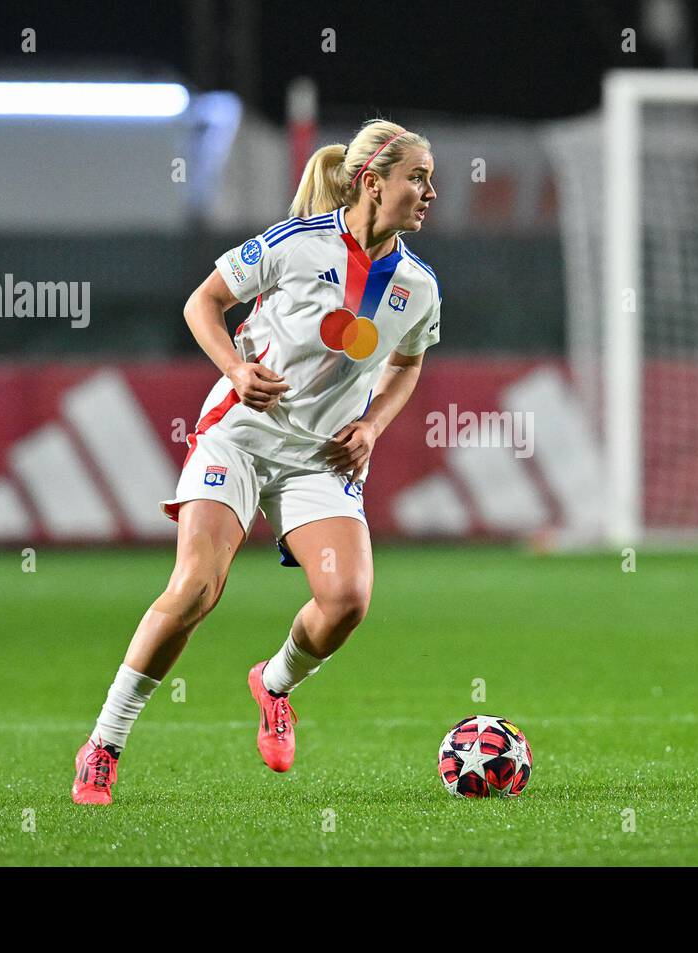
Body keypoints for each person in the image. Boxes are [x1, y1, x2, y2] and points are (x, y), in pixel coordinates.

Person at [72, 119, 440, 805]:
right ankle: (103, 744)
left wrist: (373, 424)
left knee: (346, 602)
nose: (431, 191)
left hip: (319, 458)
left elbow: (407, 365)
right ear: (371, 180)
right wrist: (237, 370)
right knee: (194, 590)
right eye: (417, 177)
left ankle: (273, 685)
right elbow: (203, 302)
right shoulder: (296, 245)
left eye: (428, 178)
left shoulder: (417, 287)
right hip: (239, 436)